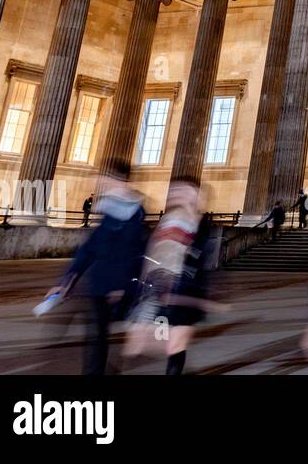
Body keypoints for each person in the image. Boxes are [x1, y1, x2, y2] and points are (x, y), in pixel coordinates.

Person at [45, 160, 147, 375]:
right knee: (96, 337)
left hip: (114, 287)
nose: (99, 180)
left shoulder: (133, 211)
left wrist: (120, 285)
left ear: (115, 178)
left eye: (103, 176)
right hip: (99, 283)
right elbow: (91, 248)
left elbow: (133, 252)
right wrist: (67, 281)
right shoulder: (111, 207)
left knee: (98, 337)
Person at [125, 177, 215, 374]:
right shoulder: (168, 219)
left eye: (184, 191)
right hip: (160, 287)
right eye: (175, 191)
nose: (177, 194)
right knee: (147, 344)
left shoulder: (202, 223)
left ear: (196, 195)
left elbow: (200, 258)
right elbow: (152, 252)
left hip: (186, 290)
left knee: (175, 345)